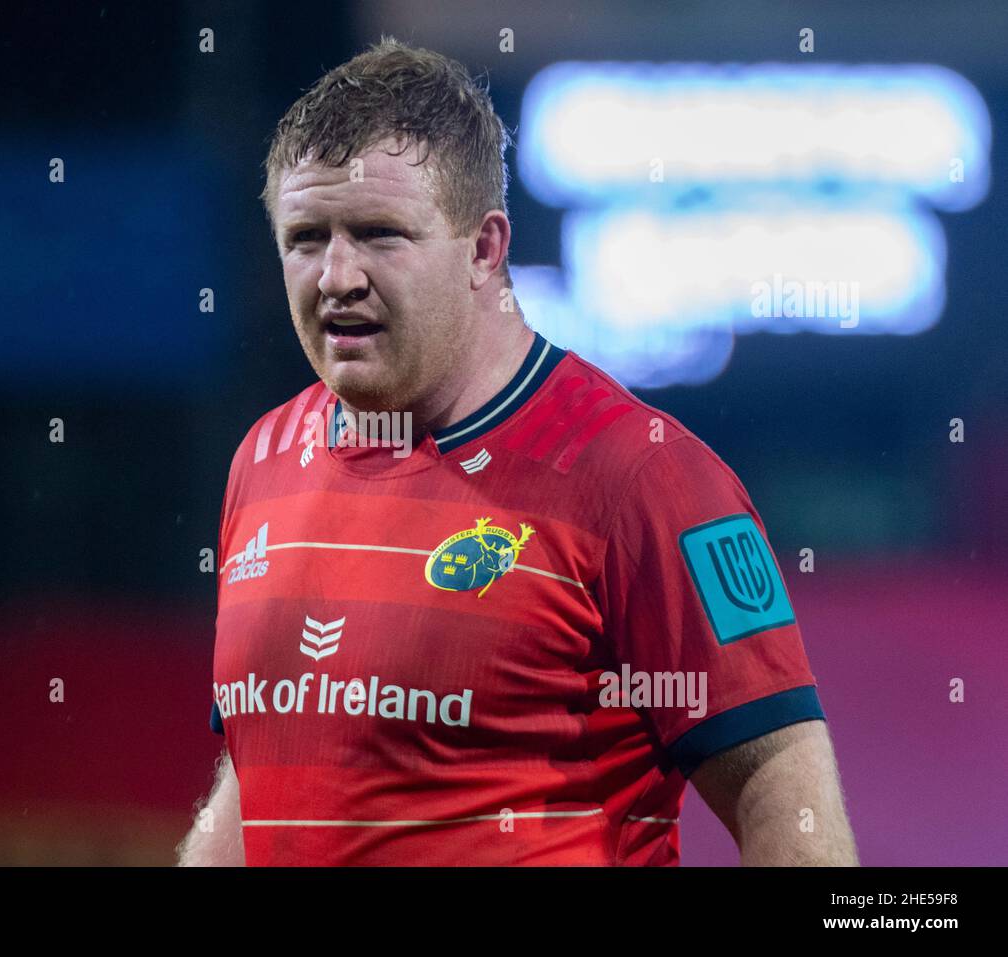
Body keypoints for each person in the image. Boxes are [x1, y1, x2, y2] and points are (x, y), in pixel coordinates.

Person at [177, 37, 857, 866]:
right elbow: (262, 769)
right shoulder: (264, 456)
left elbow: (779, 781)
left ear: (485, 249)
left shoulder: (643, 475)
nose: (336, 276)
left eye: (379, 233)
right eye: (306, 237)